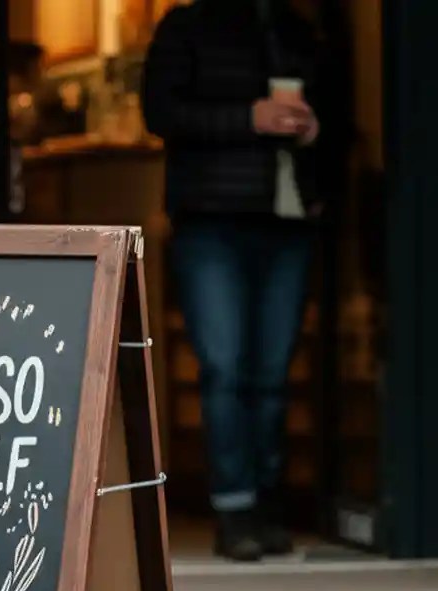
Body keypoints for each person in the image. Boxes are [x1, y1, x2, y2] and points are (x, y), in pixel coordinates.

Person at [141, 0, 333, 561]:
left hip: (288, 217)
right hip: (211, 220)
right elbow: (160, 112)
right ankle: (234, 508)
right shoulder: (186, 25)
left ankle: (268, 502)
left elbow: (342, 117)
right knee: (225, 368)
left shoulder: (299, 30)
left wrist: (314, 130)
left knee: (273, 373)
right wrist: (250, 118)